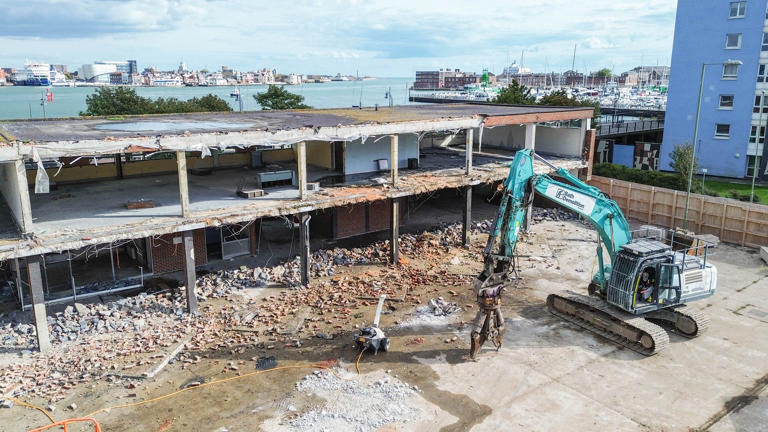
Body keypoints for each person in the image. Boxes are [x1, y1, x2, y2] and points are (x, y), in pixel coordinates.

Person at [469, 273, 505, 360]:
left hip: (493, 306)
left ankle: (497, 336)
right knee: (476, 333)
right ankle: (481, 339)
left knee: (501, 325)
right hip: (487, 307)